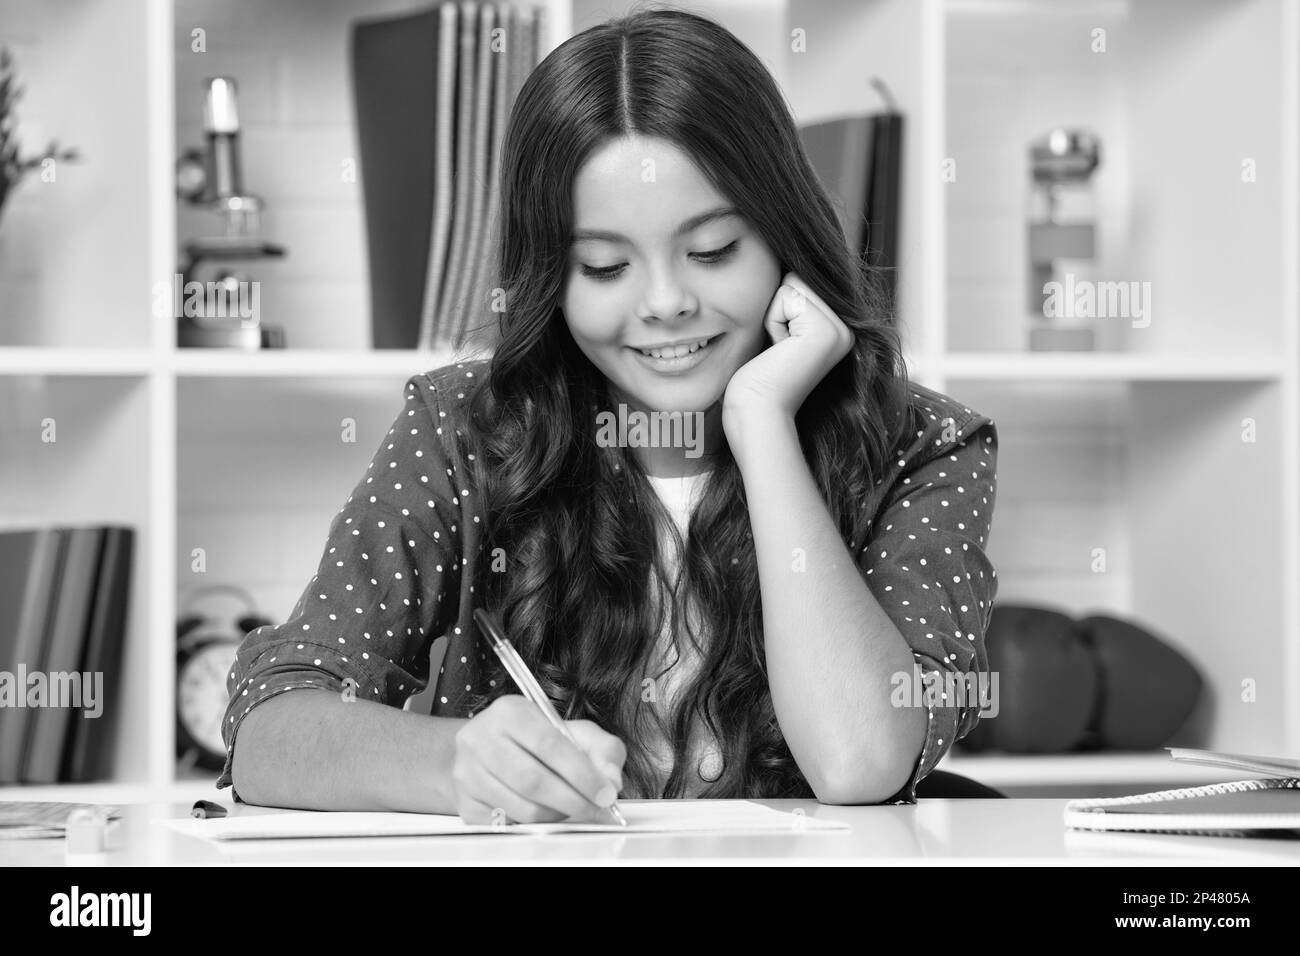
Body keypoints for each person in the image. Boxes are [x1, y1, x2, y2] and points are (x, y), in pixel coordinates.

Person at [220, 7, 999, 823]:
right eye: (605, 265)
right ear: (551, 277)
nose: (665, 303)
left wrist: (763, 425)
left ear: (784, 235)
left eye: (712, 252)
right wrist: (458, 764)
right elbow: (268, 725)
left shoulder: (924, 446)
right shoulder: (470, 428)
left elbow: (859, 759)